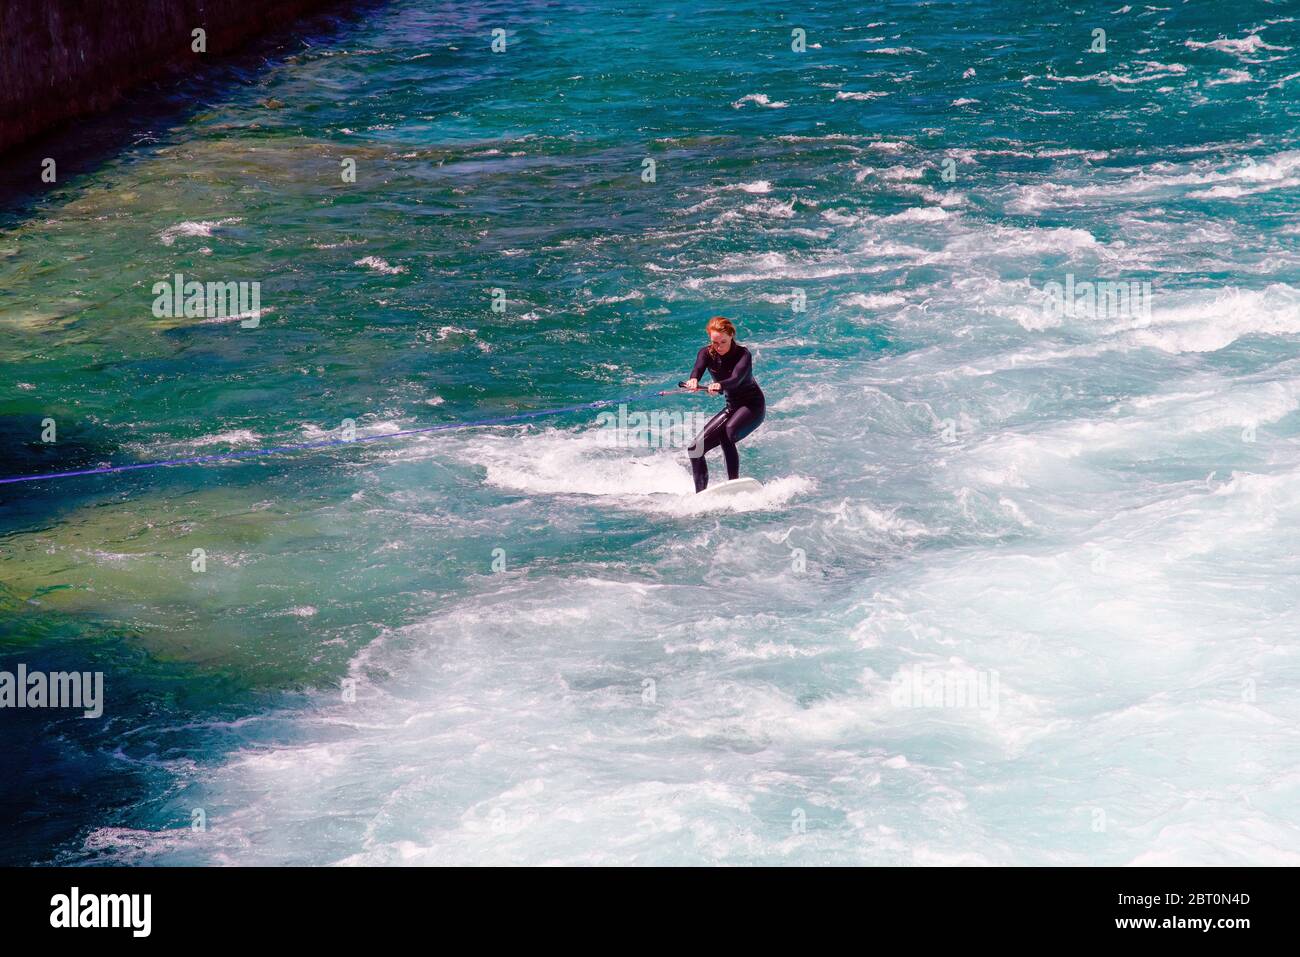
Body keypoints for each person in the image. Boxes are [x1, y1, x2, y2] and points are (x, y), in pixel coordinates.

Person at [683, 316, 765, 492]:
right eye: (715, 342)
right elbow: (697, 369)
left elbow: (735, 380)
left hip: (752, 406)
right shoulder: (706, 353)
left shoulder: (743, 354)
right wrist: (693, 380)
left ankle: (734, 484)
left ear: (731, 336)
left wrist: (719, 385)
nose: (719, 347)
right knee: (694, 449)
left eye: (723, 342)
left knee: (728, 432)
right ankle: (700, 494)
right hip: (732, 407)